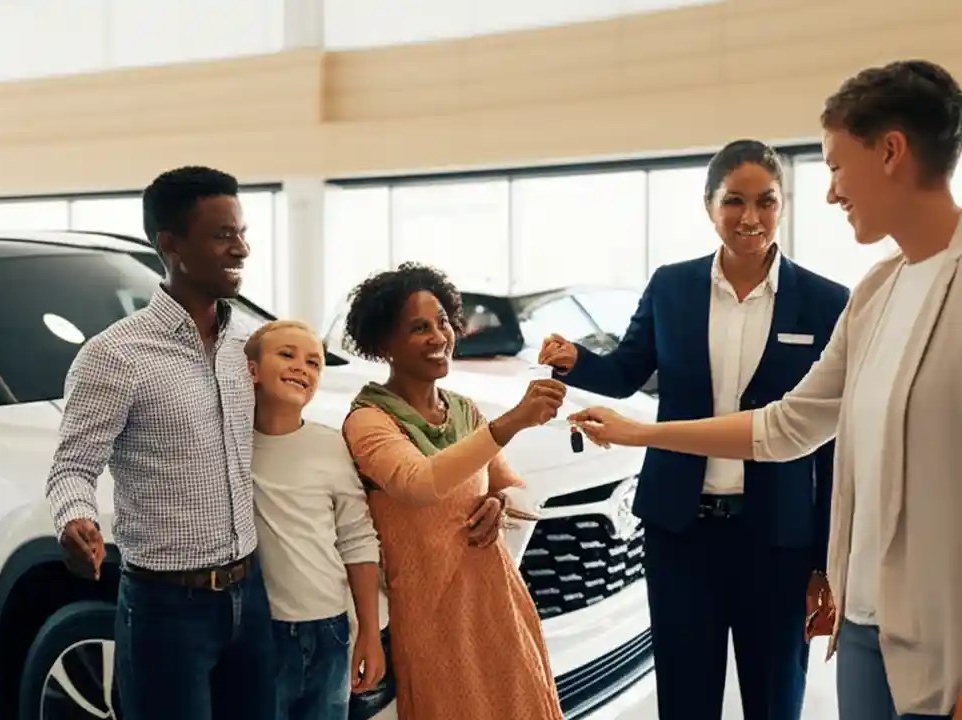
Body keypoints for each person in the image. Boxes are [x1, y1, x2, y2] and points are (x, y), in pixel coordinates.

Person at [567, 59, 962, 720]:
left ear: (891, 151)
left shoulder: (837, 296)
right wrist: (638, 431)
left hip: (929, 628)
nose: (831, 192)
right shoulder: (875, 293)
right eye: (734, 200)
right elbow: (788, 426)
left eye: (835, 165)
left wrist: (816, 563)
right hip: (863, 623)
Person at [539, 139, 850, 719]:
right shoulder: (672, 287)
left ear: (783, 206)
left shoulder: (826, 301)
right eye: (734, 201)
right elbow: (626, 372)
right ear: (710, 206)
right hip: (680, 533)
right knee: (684, 700)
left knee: (775, 700)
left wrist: (827, 562)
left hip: (778, 540)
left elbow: (832, 443)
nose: (750, 217)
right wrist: (575, 360)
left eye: (766, 201)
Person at [45, 165, 275, 720]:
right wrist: (75, 519)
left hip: (253, 594)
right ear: (171, 245)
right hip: (167, 609)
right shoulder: (115, 356)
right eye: (223, 235)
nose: (241, 248)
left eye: (242, 233)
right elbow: (72, 467)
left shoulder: (250, 345)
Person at [340, 262, 566, 720]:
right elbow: (419, 482)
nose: (438, 336)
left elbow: (513, 486)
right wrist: (511, 423)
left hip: (498, 604)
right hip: (431, 617)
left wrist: (500, 502)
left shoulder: (464, 410)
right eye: (418, 328)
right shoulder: (368, 421)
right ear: (383, 344)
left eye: (442, 322)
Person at [243, 319, 386, 720]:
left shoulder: (331, 445)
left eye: (313, 363)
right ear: (251, 370)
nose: (301, 368)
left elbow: (357, 537)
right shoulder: (229, 444)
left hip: (330, 630)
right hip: (258, 633)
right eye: (286, 355)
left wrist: (369, 632)